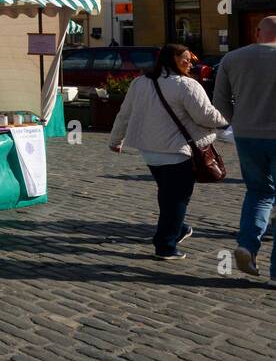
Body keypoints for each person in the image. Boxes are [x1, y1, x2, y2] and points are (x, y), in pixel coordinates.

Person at [110, 43, 229, 260]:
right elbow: (205, 116)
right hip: (176, 151)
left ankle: (179, 228)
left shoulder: (140, 82)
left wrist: (116, 139)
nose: (189, 63)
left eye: (190, 59)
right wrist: (226, 119)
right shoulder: (186, 85)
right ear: (171, 59)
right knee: (177, 199)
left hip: (150, 151)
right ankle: (165, 245)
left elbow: (124, 113)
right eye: (185, 58)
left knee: (168, 196)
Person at [213, 15, 276, 281]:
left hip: (248, 135)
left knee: (259, 192)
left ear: (257, 32)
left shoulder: (232, 59)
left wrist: (237, 122)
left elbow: (220, 102)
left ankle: (247, 246)